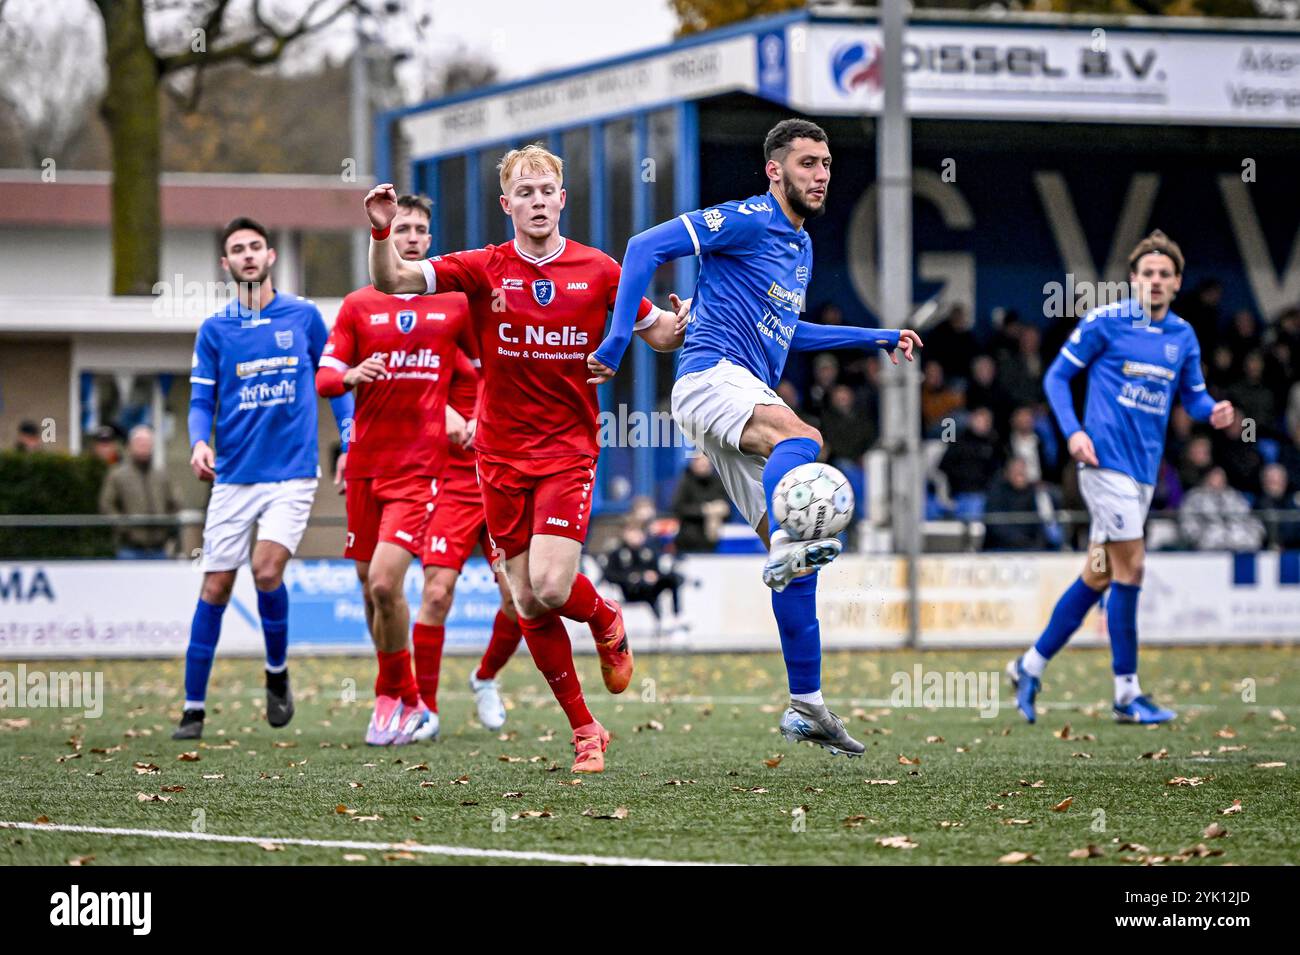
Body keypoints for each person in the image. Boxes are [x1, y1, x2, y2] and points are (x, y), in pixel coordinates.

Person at [591, 118, 921, 757]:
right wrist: (615, 340)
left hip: (740, 393)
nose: (820, 175)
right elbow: (641, 248)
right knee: (805, 437)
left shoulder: (801, 248)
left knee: (803, 547)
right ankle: (780, 552)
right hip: (713, 374)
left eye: (825, 164)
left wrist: (873, 337)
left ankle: (807, 703)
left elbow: (787, 336)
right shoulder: (744, 219)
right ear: (776, 171)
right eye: (807, 164)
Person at [363, 144, 687, 773]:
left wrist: (683, 322)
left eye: (547, 191)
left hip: (568, 450)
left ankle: (604, 615)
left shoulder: (601, 271)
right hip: (499, 456)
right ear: (506, 203)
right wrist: (381, 232)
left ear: (562, 200)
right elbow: (393, 280)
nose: (537, 201)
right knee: (528, 604)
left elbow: (659, 334)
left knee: (550, 584)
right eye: (525, 192)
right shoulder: (484, 267)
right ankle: (585, 729)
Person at [1007, 230, 1235, 726]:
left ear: (1177, 283)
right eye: (1147, 273)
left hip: (1144, 473)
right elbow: (1056, 378)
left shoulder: (1183, 336)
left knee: (1101, 572)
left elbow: (1192, 396)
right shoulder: (1105, 322)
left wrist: (1212, 409)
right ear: (1134, 279)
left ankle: (1029, 666)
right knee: (1133, 568)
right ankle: (1126, 693)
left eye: (1164, 274)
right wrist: (1073, 433)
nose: (1155, 281)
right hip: (1102, 465)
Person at [174, 216, 354, 741]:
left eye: (256, 247)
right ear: (225, 264)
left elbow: (335, 380)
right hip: (233, 477)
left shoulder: (302, 316)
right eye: (238, 249)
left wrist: (348, 437)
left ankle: (276, 673)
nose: (249, 255)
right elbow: (201, 400)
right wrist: (199, 442)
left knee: (267, 569)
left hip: (292, 473)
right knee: (216, 585)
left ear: (271, 256)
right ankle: (193, 710)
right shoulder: (215, 330)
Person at [315, 194, 482, 746]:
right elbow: (325, 377)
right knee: (371, 590)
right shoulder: (359, 305)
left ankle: (395, 697)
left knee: (388, 581)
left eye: (419, 229)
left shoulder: (454, 305)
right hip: (365, 466)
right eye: (402, 228)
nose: (411, 236)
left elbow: (482, 371)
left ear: (430, 240)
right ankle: (404, 698)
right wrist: (352, 374)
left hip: (420, 469)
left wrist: (466, 415)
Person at [98, 424, 178, 559]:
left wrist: (168, 528)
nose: (144, 447)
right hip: (129, 548)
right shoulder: (117, 475)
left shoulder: (162, 475)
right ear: (130, 446)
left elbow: (175, 503)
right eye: (140, 443)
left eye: (147, 443)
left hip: (159, 548)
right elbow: (106, 505)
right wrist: (124, 528)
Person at [599, 519, 686, 637]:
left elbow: (657, 571)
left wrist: (655, 576)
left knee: (673, 578)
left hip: (651, 587)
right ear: (625, 533)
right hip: (630, 590)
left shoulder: (649, 551)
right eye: (632, 532)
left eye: (638, 533)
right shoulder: (617, 553)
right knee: (644, 583)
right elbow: (609, 575)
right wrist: (633, 577)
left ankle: (677, 617)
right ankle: (661, 619)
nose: (636, 536)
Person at [1180, 467, 1264, 551]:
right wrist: (1199, 537)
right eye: (1214, 477)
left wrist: (1254, 534)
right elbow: (1187, 521)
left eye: (1221, 477)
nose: (1218, 480)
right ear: (1206, 478)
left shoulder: (1235, 496)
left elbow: (1249, 517)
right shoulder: (1194, 497)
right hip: (1208, 542)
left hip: (1238, 542)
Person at [671, 452, 731, 553]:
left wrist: (720, 510)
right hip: (687, 540)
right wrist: (704, 510)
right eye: (699, 462)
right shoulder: (685, 482)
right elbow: (678, 508)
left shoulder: (718, 483)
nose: (703, 465)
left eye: (705, 462)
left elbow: (726, 509)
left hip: (711, 541)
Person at [983, 457, 1046, 551]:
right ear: (1008, 473)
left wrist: (1037, 546)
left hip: (1028, 547)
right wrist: (1020, 541)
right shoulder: (997, 491)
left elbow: (1038, 524)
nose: (1020, 476)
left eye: (1022, 473)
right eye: (1016, 472)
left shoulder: (1031, 492)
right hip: (1000, 547)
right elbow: (996, 526)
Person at [1256, 462, 1300, 550]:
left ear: (1285, 481)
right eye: (1271, 480)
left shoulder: (1293, 501)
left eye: (1278, 480)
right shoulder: (1260, 503)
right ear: (1263, 481)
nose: (1275, 483)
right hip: (1270, 552)